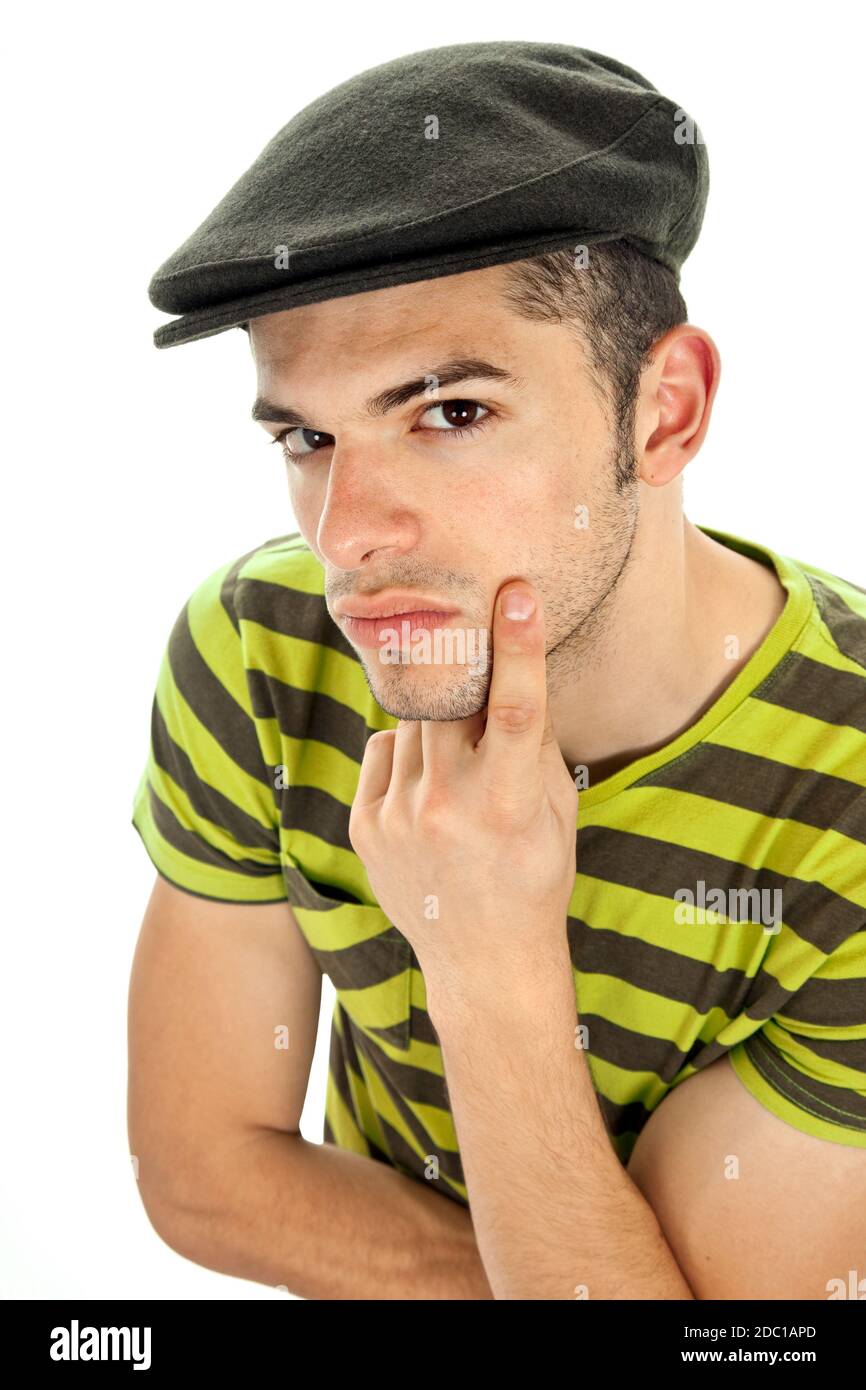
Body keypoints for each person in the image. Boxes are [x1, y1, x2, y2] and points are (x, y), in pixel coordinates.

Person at [128, 40, 866, 1300]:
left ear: (663, 411)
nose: (347, 534)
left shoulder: (844, 798)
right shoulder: (262, 647)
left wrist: (486, 951)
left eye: (448, 414)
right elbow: (202, 1172)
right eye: (308, 436)